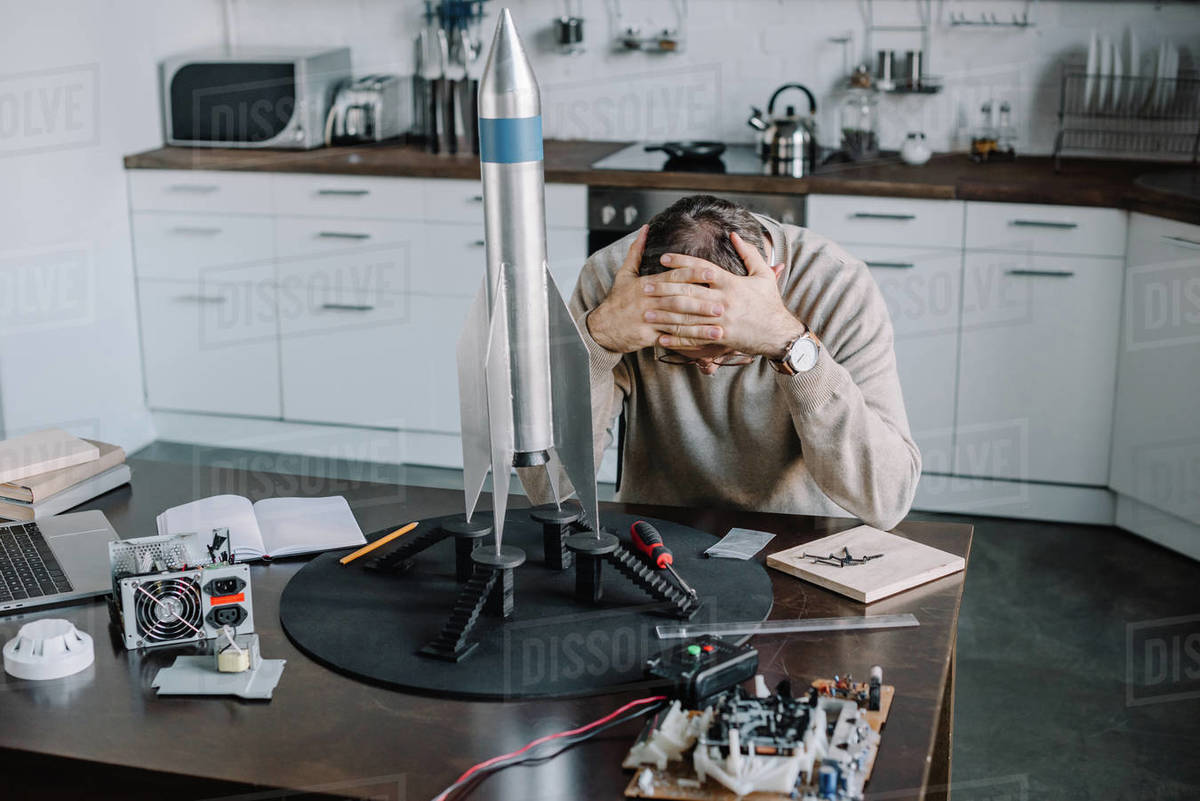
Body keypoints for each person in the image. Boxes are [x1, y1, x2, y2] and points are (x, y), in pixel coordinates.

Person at [531, 194, 920, 530]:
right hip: (659, 531)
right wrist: (596, 342)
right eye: (678, 353)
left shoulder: (837, 285)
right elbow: (548, 489)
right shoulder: (612, 282)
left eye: (731, 353)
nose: (709, 370)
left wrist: (791, 344)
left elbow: (887, 500)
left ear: (773, 279)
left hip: (804, 538)